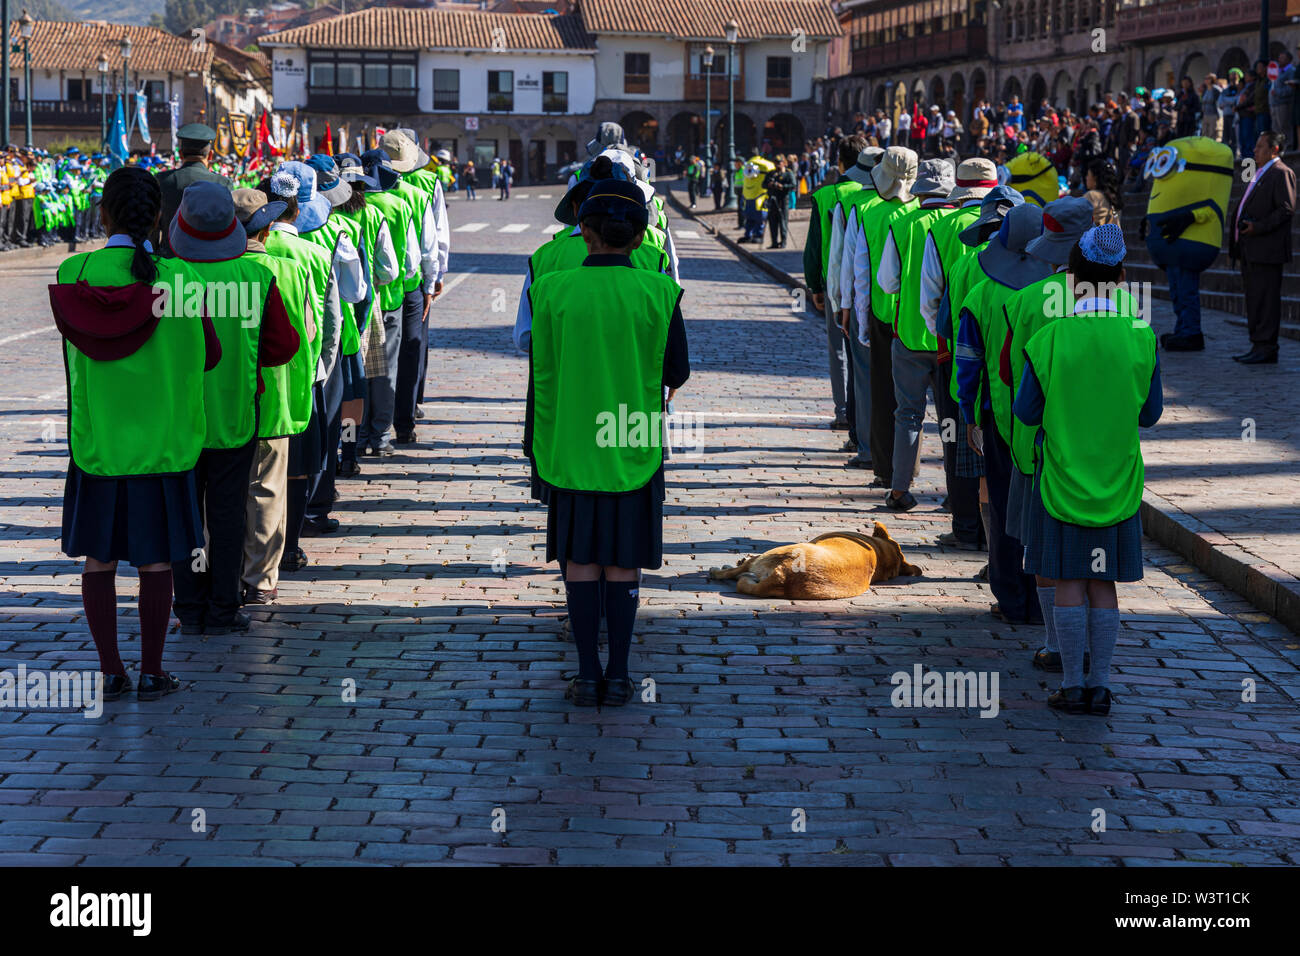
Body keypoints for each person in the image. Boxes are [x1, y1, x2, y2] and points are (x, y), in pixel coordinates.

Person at [53, 167, 220, 700]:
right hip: (163, 444)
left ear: (103, 214)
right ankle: (152, 670)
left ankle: (110, 672)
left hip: (100, 439)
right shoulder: (182, 280)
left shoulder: (75, 271)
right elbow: (210, 355)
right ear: (159, 218)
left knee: (99, 560)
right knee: (155, 559)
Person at [527, 179, 690, 707]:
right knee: (622, 559)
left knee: (579, 558)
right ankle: (619, 673)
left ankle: (586, 672)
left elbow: (538, 369)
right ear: (640, 237)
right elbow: (677, 371)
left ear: (586, 234)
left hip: (570, 438)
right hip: (632, 437)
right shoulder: (660, 291)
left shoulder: (551, 290)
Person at [1015, 224, 1162, 715]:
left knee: (1069, 580)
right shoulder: (1142, 337)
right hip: (1117, 482)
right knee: (1104, 584)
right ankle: (1100, 685)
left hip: (1061, 477)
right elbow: (1150, 414)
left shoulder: (1049, 337)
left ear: (1073, 280)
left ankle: (1072, 684)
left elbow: (1027, 411)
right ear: (1121, 278)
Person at [168, 182, 299, 635]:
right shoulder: (258, 278)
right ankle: (225, 608)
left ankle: (188, 605)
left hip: (177, 421)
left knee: (185, 518)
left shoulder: (167, 279)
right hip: (237, 414)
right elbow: (284, 347)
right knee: (227, 517)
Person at [1003, 196, 1101, 671]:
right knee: (1098, 559)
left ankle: (1055, 643)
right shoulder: (1126, 307)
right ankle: (1094, 656)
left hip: (1040, 445)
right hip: (1106, 451)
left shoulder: (1026, 301)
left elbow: (1009, 372)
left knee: (1043, 549)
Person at [955, 203, 1052, 624]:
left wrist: (969, 415)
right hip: (1052, 419)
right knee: (1045, 508)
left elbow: (967, 362)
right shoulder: (1057, 292)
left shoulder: (979, 295)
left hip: (997, 417)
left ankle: (1012, 598)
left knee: (1003, 504)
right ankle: (1048, 597)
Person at [232, 188, 316, 607]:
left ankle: (218, 571)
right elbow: (311, 335)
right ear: (266, 230)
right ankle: (260, 579)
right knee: (266, 488)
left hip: (219, 402)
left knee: (219, 491)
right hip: (276, 395)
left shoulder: (202, 272)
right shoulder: (290, 269)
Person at [874, 158, 958, 513]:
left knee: (908, 414)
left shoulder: (903, 222)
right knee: (952, 419)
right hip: (951, 341)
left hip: (909, 334)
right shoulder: (961, 225)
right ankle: (958, 493)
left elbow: (887, 281)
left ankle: (900, 489)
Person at [841, 146, 918, 492]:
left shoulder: (866, 209)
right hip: (916, 316)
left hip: (880, 315)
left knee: (883, 394)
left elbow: (858, 269)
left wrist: (858, 318)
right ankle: (911, 466)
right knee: (915, 402)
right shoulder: (920, 210)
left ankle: (886, 469)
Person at [803, 134, 870, 433]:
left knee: (838, 351)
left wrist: (814, 286)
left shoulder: (825, 195)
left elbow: (814, 247)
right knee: (863, 351)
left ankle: (843, 412)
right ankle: (864, 415)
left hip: (834, 286)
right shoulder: (873, 193)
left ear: (840, 161)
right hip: (867, 283)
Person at [1228, 130, 1295, 364]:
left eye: (1259, 147)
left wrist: (1258, 227)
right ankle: (1258, 344)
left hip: (1267, 250)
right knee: (1255, 299)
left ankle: (1267, 347)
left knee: (1266, 301)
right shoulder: (1260, 172)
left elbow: (1286, 209)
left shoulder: (1281, 173)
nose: (1254, 151)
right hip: (1251, 250)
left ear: (1274, 149)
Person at [152, 123, 233, 256]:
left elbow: (153, 227)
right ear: (210, 155)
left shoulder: (161, 180)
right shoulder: (222, 183)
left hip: (168, 260)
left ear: (181, 154)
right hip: (209, 260)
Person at [763, 155, 796, 248]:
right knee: (772, 222)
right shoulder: (771, 173)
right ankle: (774, 242)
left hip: (782, 200)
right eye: (776, 163)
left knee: (783, 222)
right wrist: (769, 184)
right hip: (772, 200)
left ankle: (783, 242)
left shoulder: (788, 173)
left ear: (784, 163)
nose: (778, 165)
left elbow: (793, 185)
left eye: (779, 163)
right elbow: (763, 184)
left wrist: (782, 186)